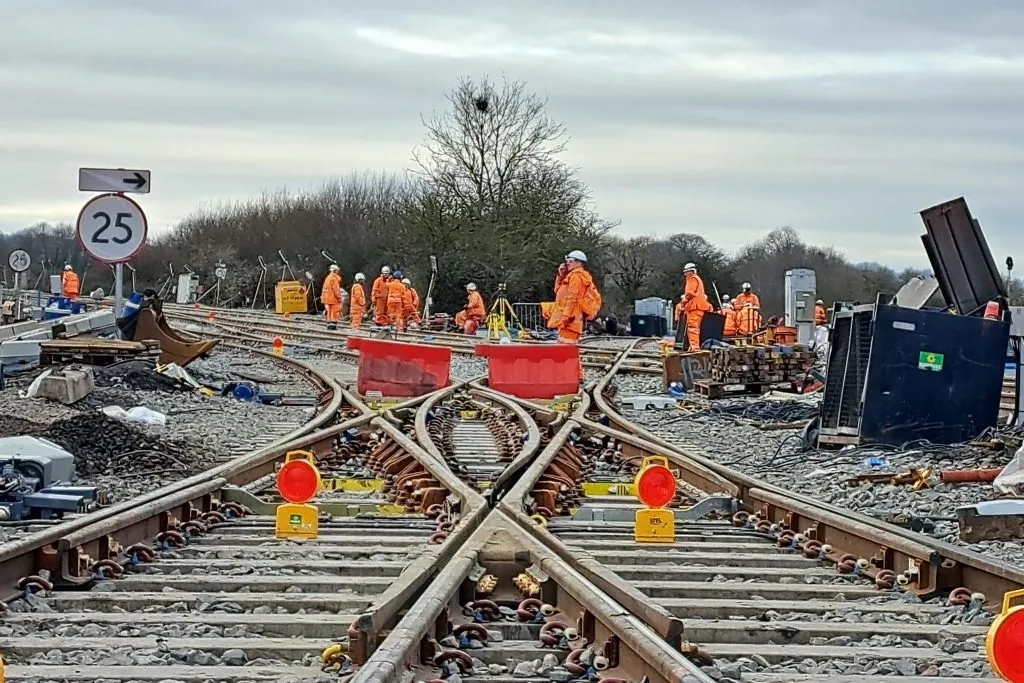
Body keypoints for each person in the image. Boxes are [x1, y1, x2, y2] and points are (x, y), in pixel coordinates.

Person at [547, 250, 600, 379]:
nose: (567, 264)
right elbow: (558, 291)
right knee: (568, 348)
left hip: (571, 319)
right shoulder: (571, 276)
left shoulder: (577, 277)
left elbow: (573, 298)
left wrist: (565, 317)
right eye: (567, 261)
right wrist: (561, 275)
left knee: (566, 349)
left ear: (578, 262)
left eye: (570, 261)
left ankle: (570, 375)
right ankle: (576, 375)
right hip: (569, 318)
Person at [681, 262, 713, 350]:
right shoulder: (698, 279)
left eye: (686, 272)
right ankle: (693, 347)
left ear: (690, 271)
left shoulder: (692, 279)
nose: (685, 274)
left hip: (694, 307)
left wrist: (683, 301)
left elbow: (689, 293)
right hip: (699, 307)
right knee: (696, 328)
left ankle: (694, 348)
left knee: (692, 328)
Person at [320, 264, 343, 330]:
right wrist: (339, 298)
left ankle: (329, 326)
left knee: (329, 313)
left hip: (327, 299)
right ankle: (333, 326)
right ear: (335, 271)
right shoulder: (334, 278)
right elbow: (336, 289)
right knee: (334, 313)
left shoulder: (328, 278)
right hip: (333, 299)